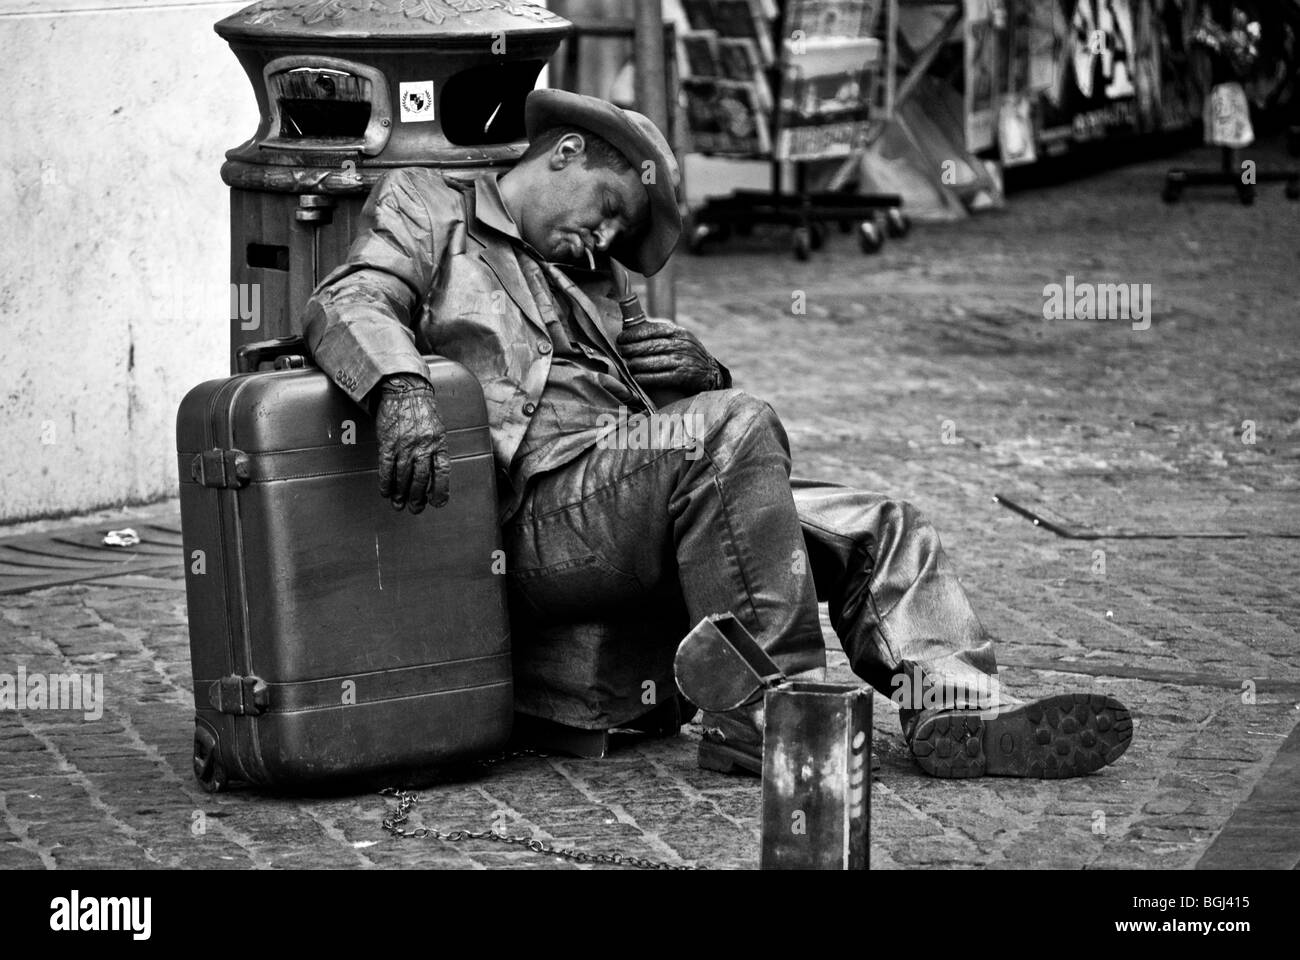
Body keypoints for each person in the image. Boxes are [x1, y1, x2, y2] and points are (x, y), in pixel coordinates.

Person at [304, 89, 1133, 779]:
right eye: (609, 211)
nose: (605, 240)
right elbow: (349, 298)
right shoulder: (429, 207)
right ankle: (767, 718)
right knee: (725, 432)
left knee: (884, 523)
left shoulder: (605, 281)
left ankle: (958, 709)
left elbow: (699, 431)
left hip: (641, 493)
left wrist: (706, 377)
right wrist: (399, 382)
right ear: (564, 152)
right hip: (533, 513)